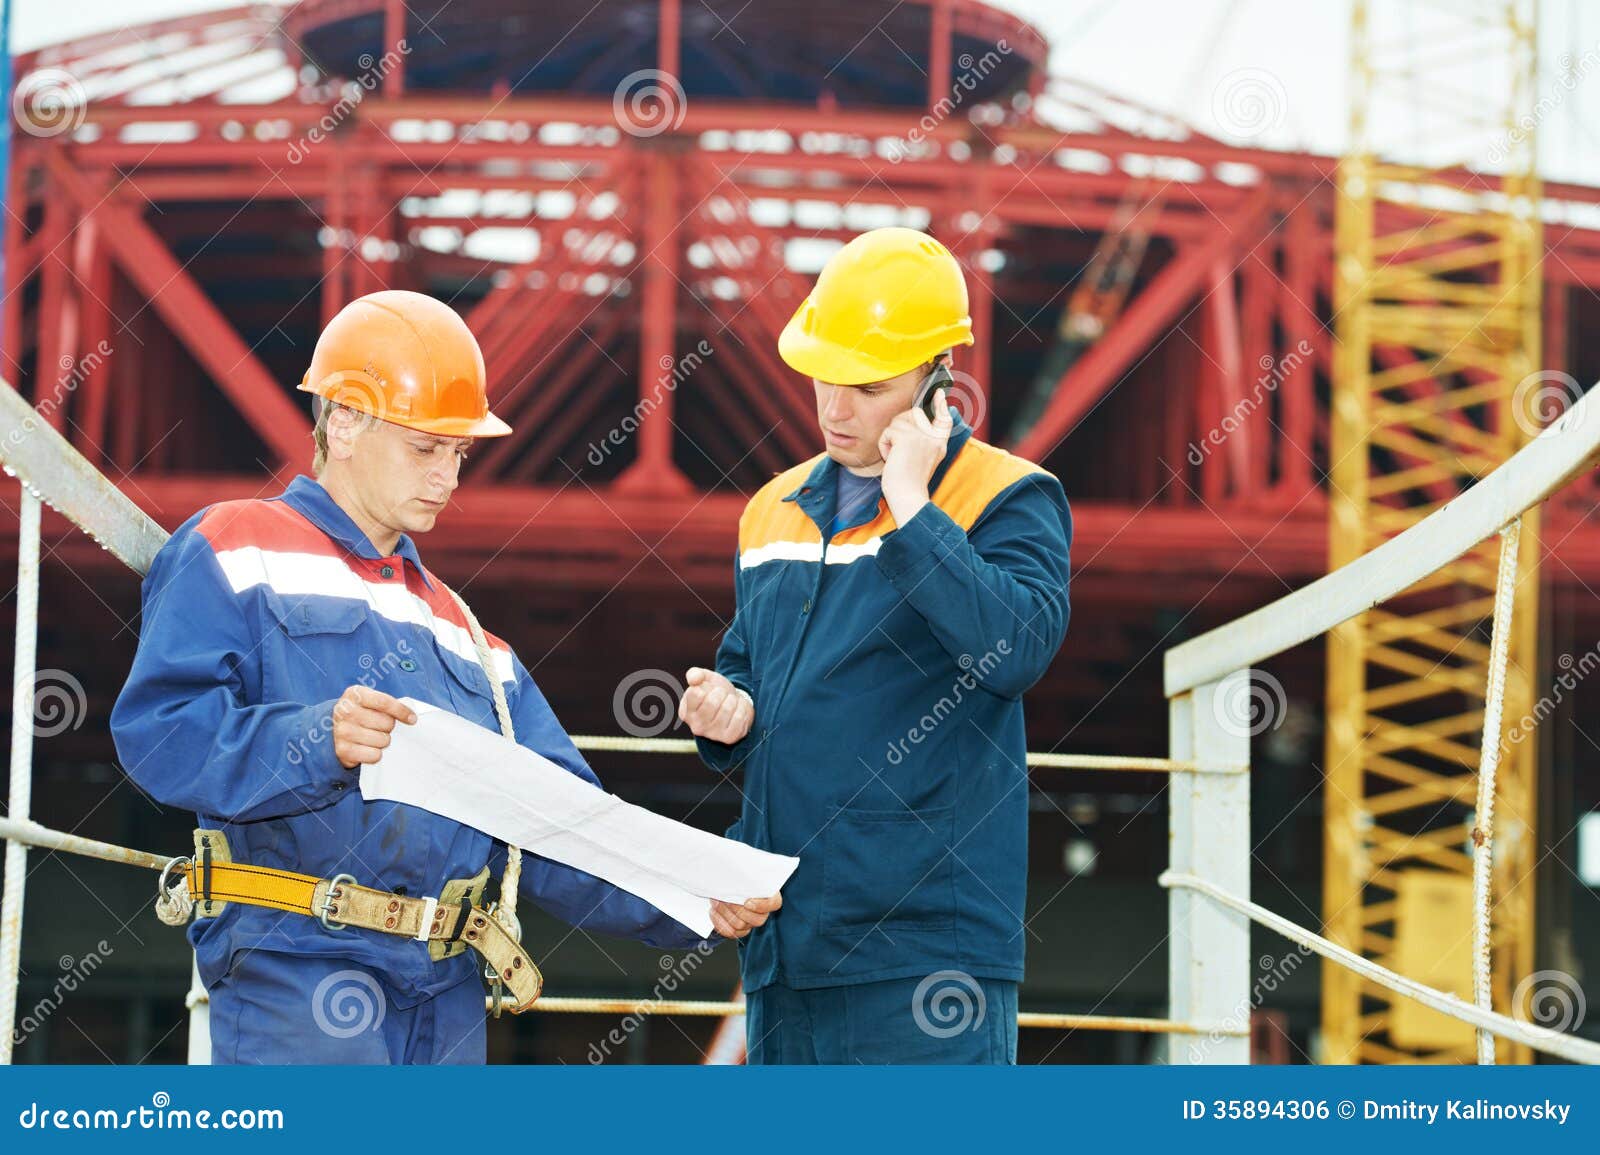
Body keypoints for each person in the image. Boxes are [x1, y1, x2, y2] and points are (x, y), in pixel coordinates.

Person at [111, 290, 780, 1065]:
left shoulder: (471, 640)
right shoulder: (235, 546)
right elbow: (159, 734)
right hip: (296, 961)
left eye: (458, 452)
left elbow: (562, 824)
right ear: (346, 420)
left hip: (449, 988)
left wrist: (695, 894)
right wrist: (314, 739)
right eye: (427, 447)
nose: (448, 475)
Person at [678, 227, 1072, 1064]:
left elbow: (1013, 652)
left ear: (937, 379)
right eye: (826, 376)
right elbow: (754, 672)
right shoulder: (772, 510)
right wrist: (728, 711)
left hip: (927, 957)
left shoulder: (1008, 496)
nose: (835, 406)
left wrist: (911, 505)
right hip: (786, 950)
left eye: (868, 384)